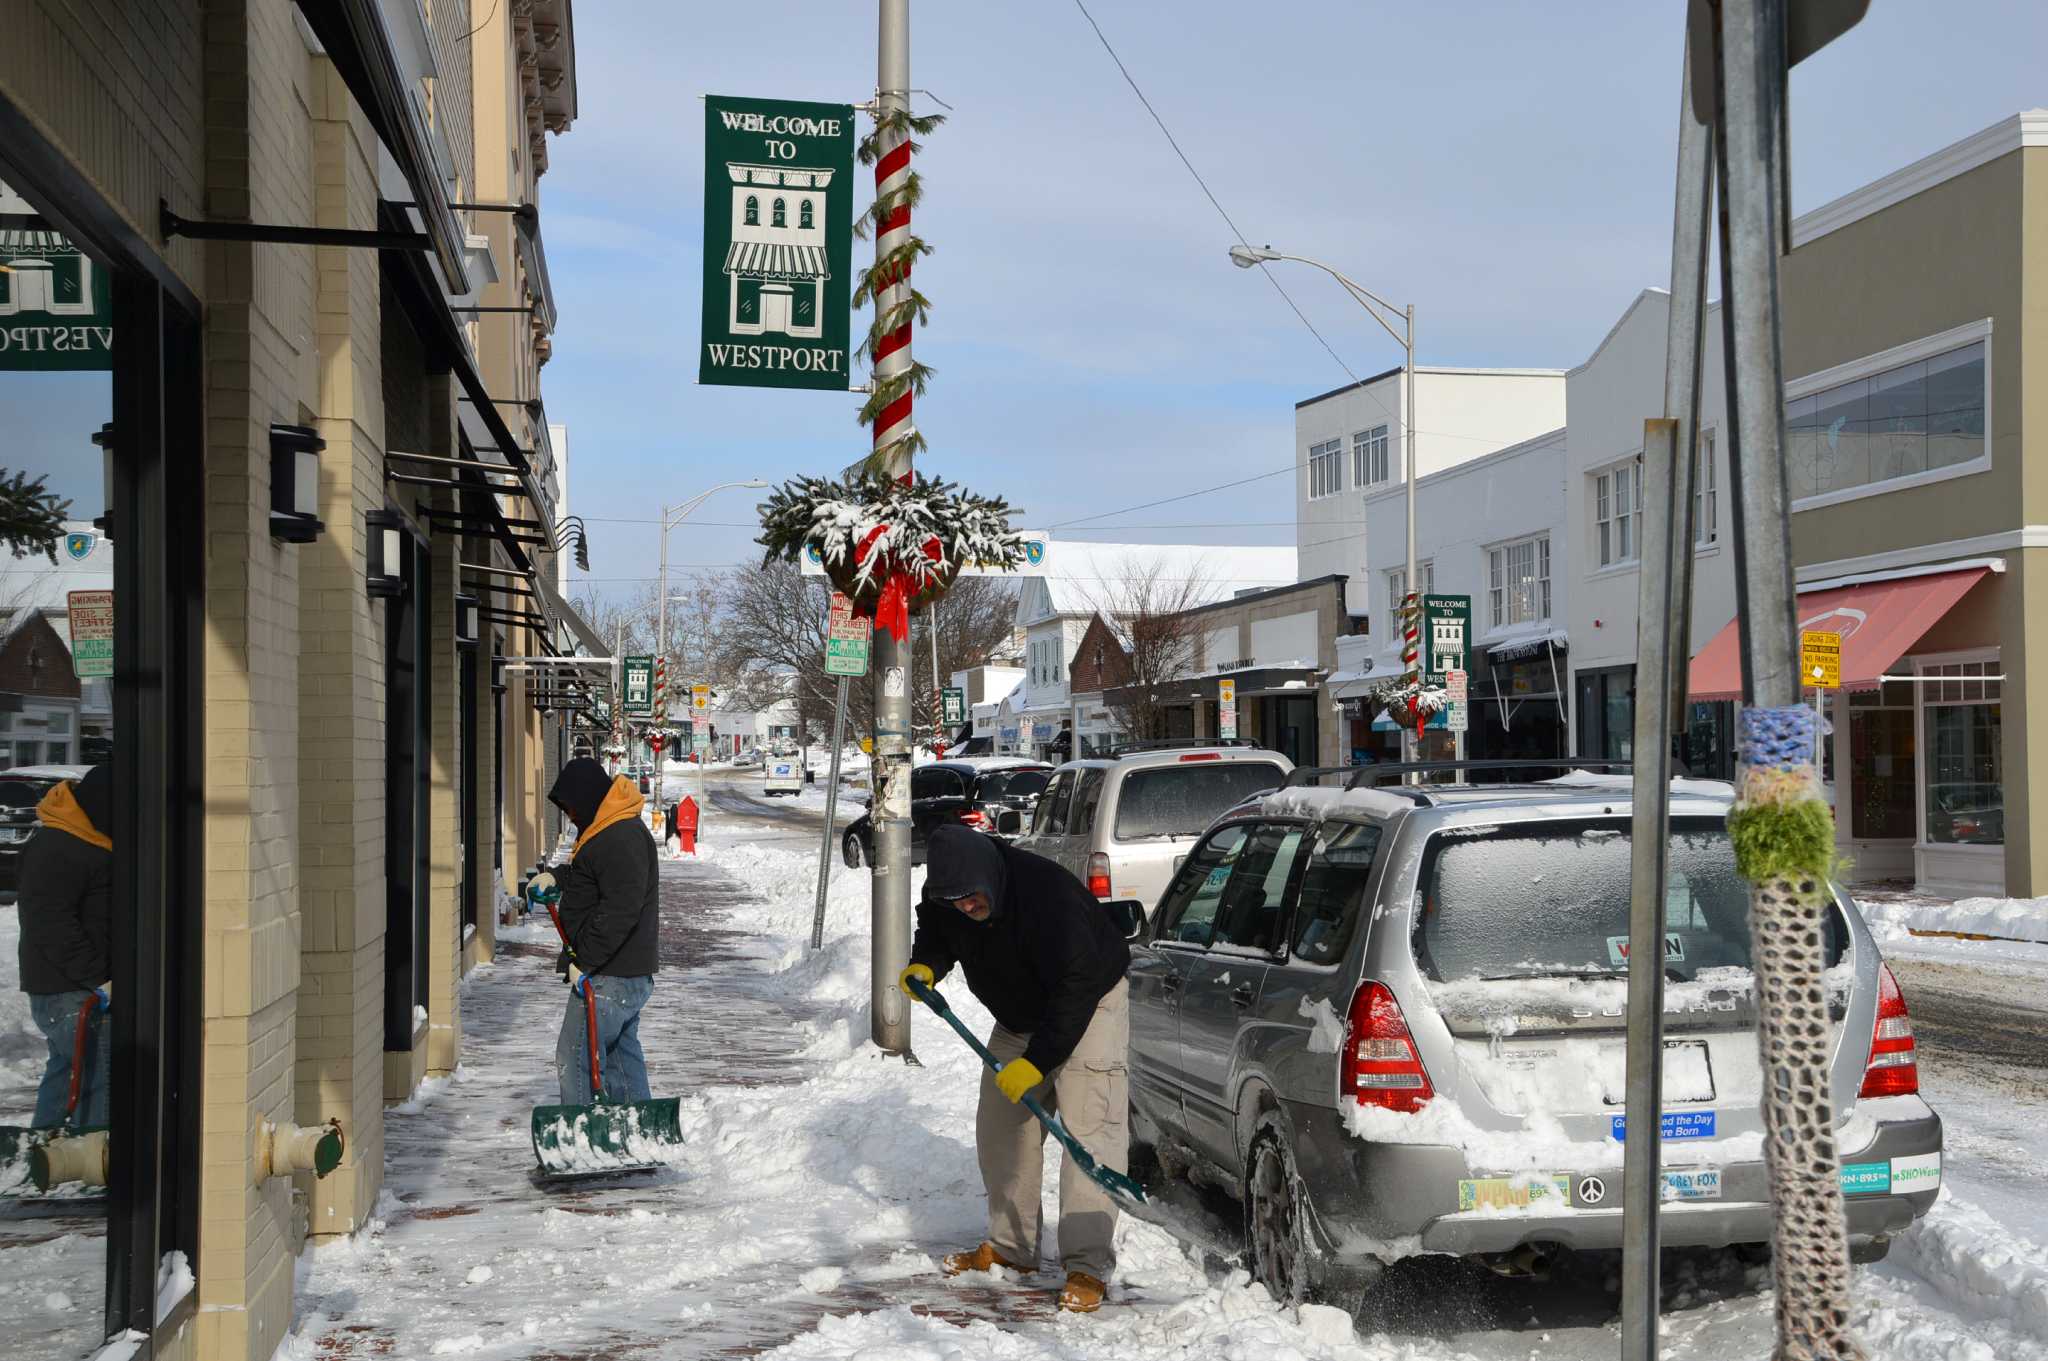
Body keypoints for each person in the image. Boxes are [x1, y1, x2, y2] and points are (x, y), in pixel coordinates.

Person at [897, 823, 1132, 1314]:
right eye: (954, 901)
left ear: (990, 876)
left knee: (1090, 1131)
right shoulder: (949, 892)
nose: (965, 907)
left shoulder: (1046, 896)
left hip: (1088, 1004)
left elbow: (1076, 987)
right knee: (1002, 1129)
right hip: (1019, 1014)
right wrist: (927, 965)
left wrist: (1037, 1063)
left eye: (971, 899)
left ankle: (1086, 1265)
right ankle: (1011, 1249)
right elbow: (937, 931)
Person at [529, 757, 659, 1105]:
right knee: (619, 1057)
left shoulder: (619, 836)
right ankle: (636, 1136)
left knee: (575, 1057)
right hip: (620, 970)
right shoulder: (608, 830)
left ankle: (584, 1141)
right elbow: (592, 876)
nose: (570, 815)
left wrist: (585, 960)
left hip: (609, 973)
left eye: (572, 806)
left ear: (588, 798)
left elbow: (620, 910)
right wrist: (556, 877)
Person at [16, 765, 113, 1129]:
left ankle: (48, 1154)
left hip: (71, 986)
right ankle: (88, 1160)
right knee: (96, 1078)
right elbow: (50, 923)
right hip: (68, 989)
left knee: (68, 1072)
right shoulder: (60, 846)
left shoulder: (89, 838)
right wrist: (98, 978)